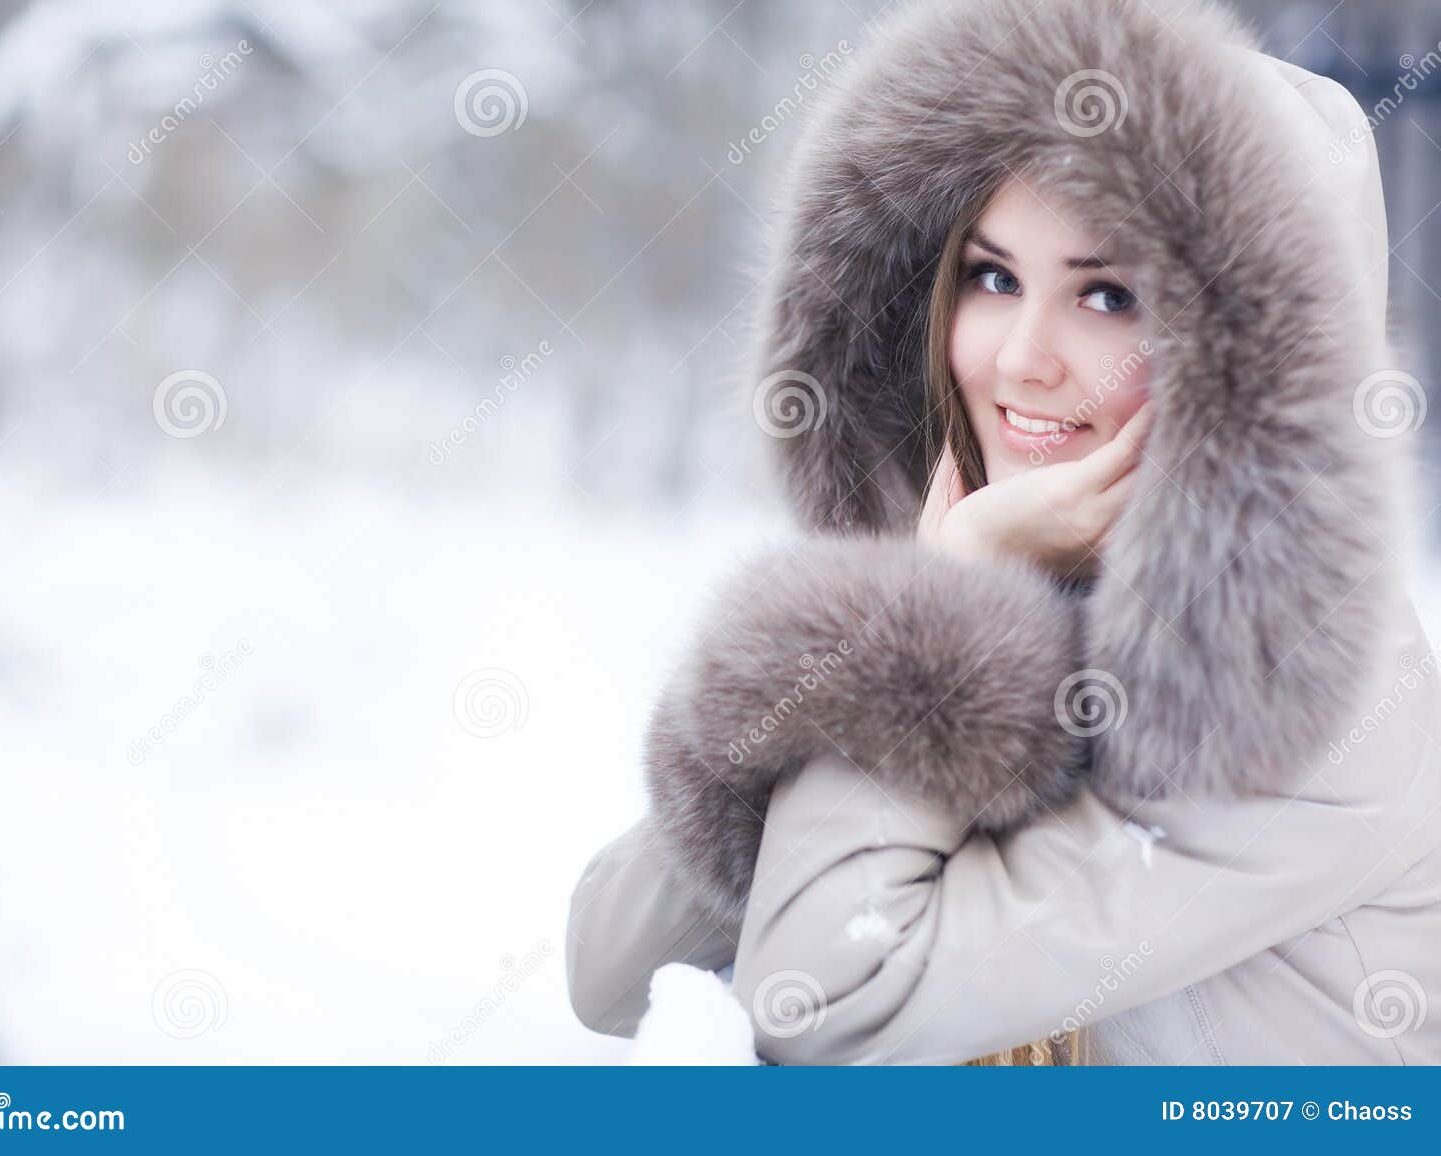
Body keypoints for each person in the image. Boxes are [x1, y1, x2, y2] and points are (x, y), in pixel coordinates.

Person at [566, 0, 1440, 1065]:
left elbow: (824, 1007)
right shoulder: (979, 568)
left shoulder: (1307, 705)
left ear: (1242, 356)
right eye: (991, 277)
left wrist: (922, 631)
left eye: (1107, 294)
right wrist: (922, 609)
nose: (1022, 357)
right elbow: (607, 967)